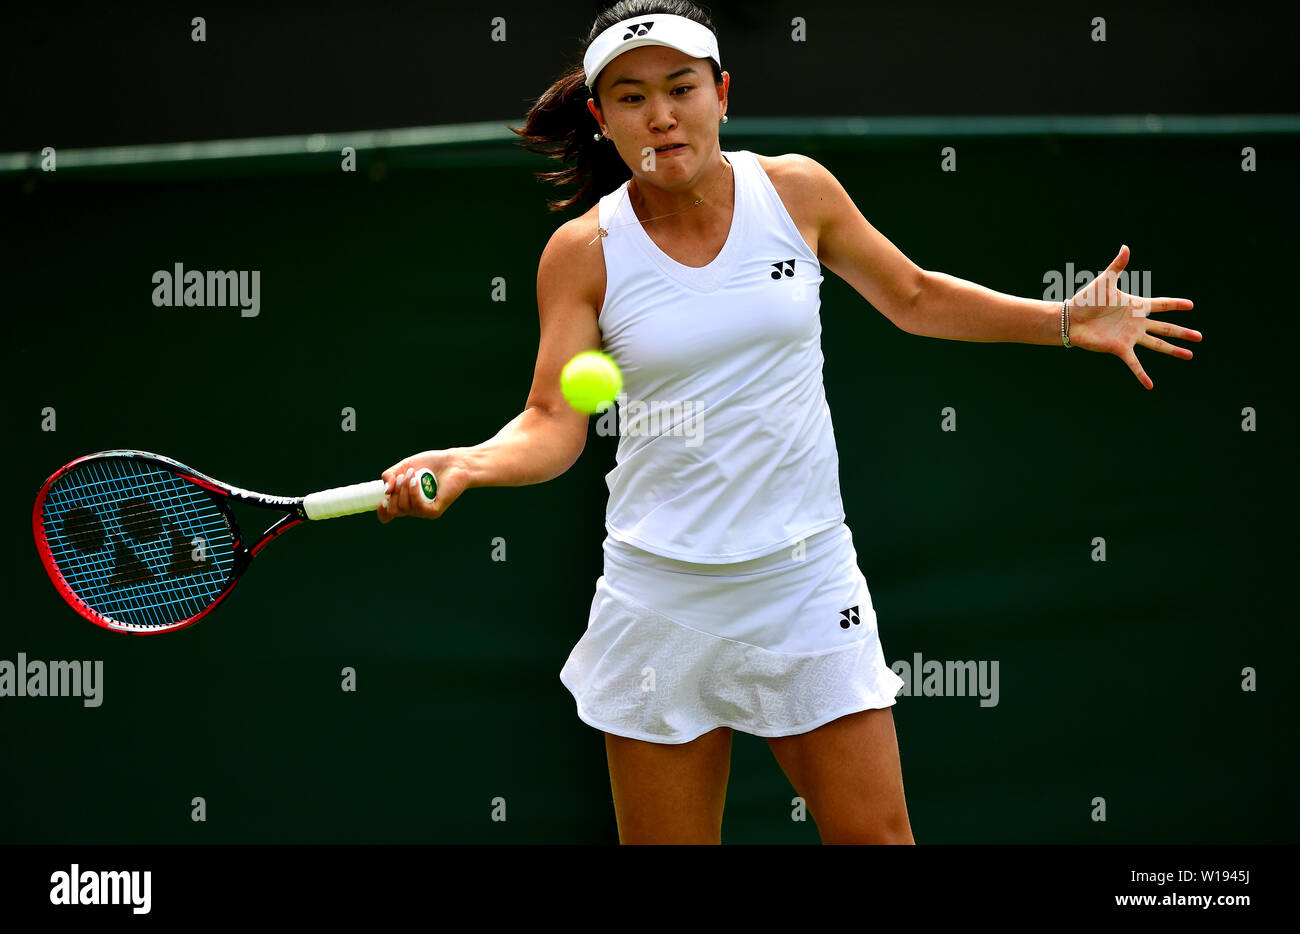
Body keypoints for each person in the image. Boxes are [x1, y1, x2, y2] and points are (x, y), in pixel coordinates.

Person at [375, 0, 1200, 845]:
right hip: (661, 597)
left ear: (722, 93)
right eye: (630, 97)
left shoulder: (797, 192)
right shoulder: (583, 252)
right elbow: (553, 421)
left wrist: (1061, 319)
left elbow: (913, 296)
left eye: (680, 87)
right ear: (600, 119)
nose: (660, 114)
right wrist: (472, 463)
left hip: (806, 585)